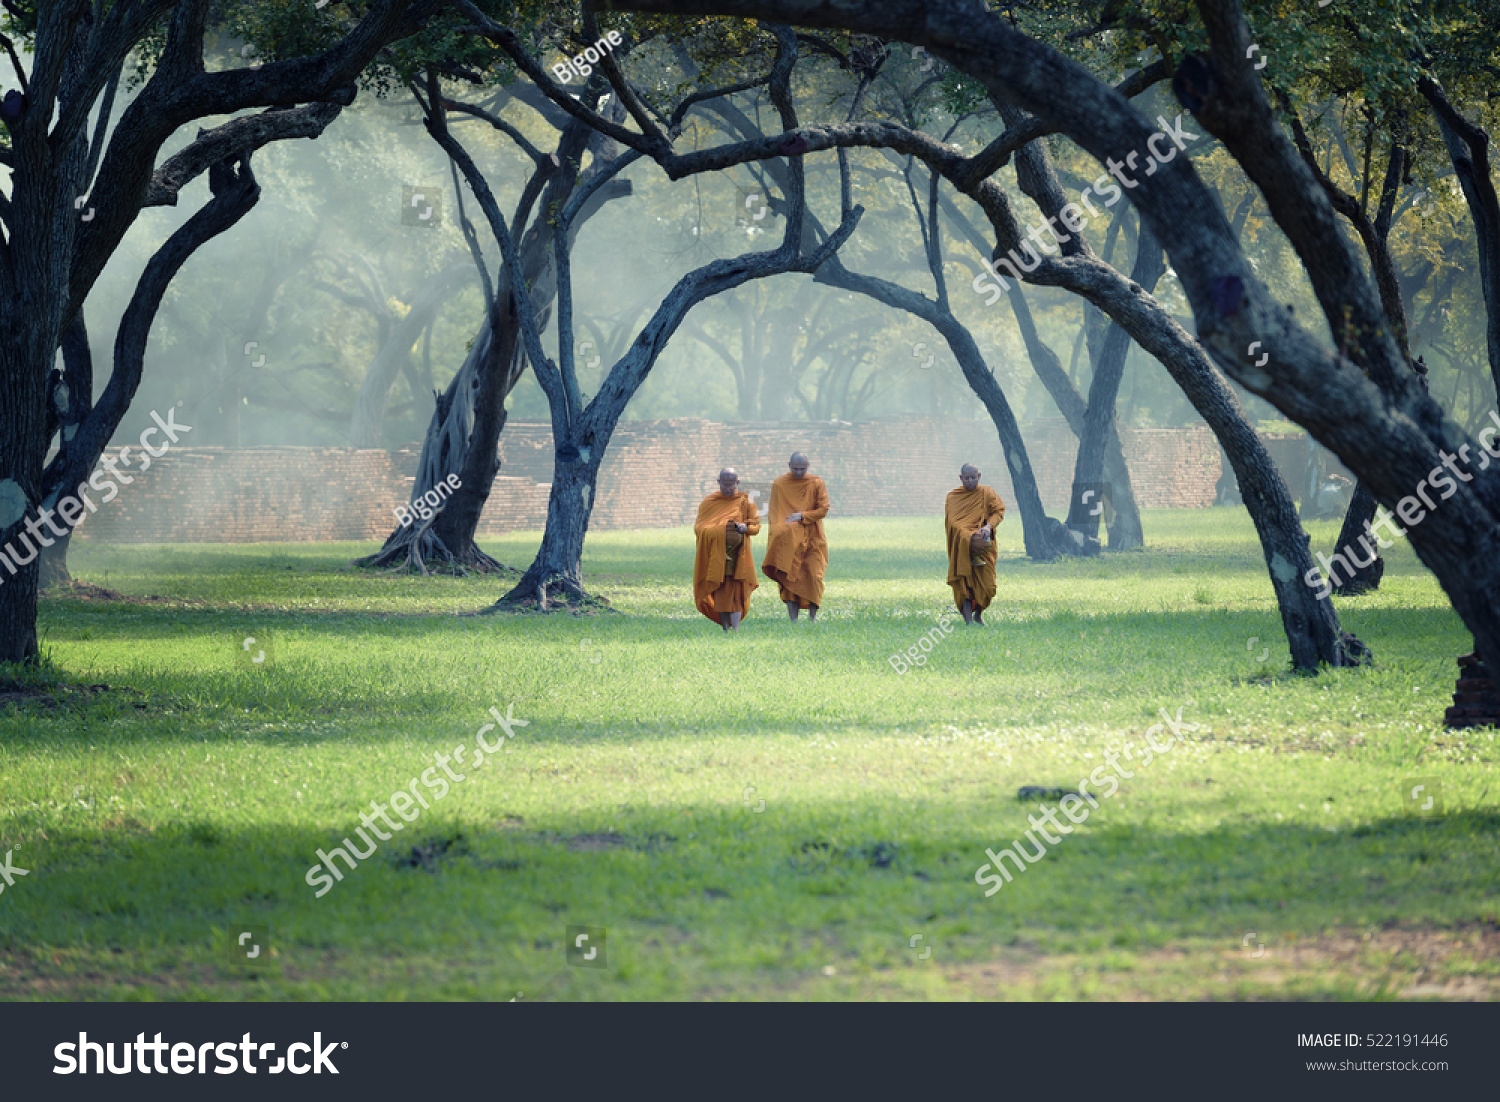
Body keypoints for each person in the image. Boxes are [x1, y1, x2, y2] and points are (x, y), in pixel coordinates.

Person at [760, 452, 831, 622]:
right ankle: (793, 620)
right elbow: (775, 514)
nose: (799, 472)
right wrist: (781, 533)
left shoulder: (816, 483)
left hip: (813, 537)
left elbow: (823, 509)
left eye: (802, 469)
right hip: (789, 540)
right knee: (790, 576)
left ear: (808, 466)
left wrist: (802, 516)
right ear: (789, 465)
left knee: (814, 576)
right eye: (795, 469)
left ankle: (812, 618)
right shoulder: (780, 484)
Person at [693, 467, 761, 631]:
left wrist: (745, 528)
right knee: (720, 590)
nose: (728, 488)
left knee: (736, 591)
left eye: (731, 484)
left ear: (737, 482)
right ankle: (725, 628)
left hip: (739, 554)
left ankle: (735, 628)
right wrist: (720, 531)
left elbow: (756, 526)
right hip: (716, 554)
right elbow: (699, 528)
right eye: (725, 484)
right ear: (719, 483)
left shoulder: (746, 501)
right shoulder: (709, 502)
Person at [944, 463, 1006, 625]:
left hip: (984, 546)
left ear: (979, 476)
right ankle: (968, 621)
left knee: (988, 586)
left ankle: (978, 615)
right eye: (966, 478)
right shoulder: (953, 497)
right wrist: (968, 535)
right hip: (962, 546)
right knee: (964, 582)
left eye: (973, 477)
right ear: (961, 478)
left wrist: (987, 526)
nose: (970, 481)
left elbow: (998, 512)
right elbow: (953, 522)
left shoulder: (987, 493)